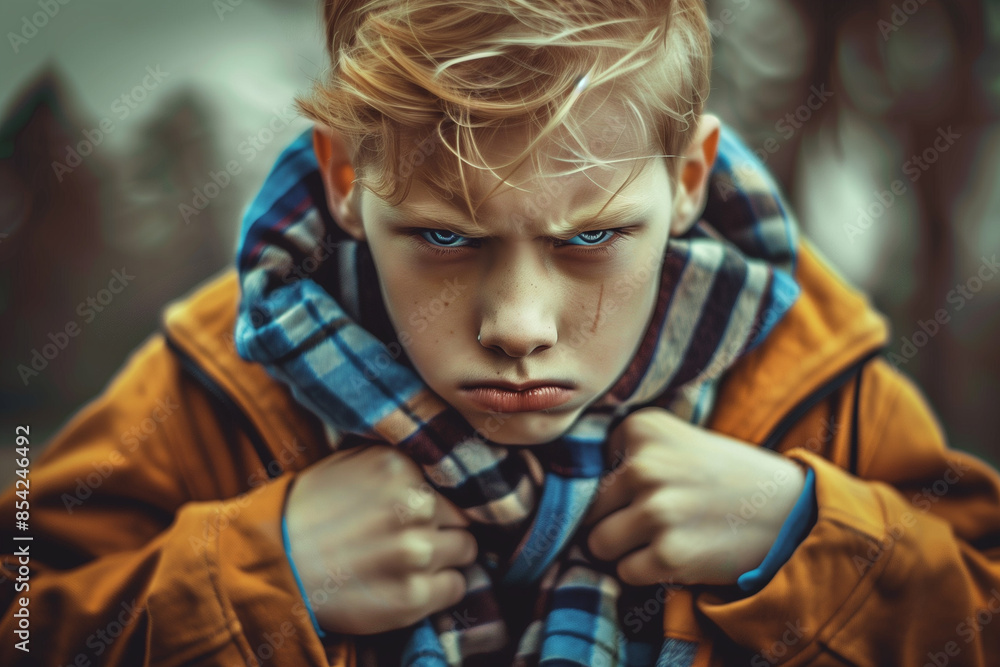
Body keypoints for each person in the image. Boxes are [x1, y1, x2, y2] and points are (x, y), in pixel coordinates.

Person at [3, 1, 1000, 665]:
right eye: (443, 235)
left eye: (594, 235)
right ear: (348, 181)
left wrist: (798, 533)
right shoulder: (220, 379)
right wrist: (265, 573)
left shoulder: (812, 378)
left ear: (687, 181)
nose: (517, 326)